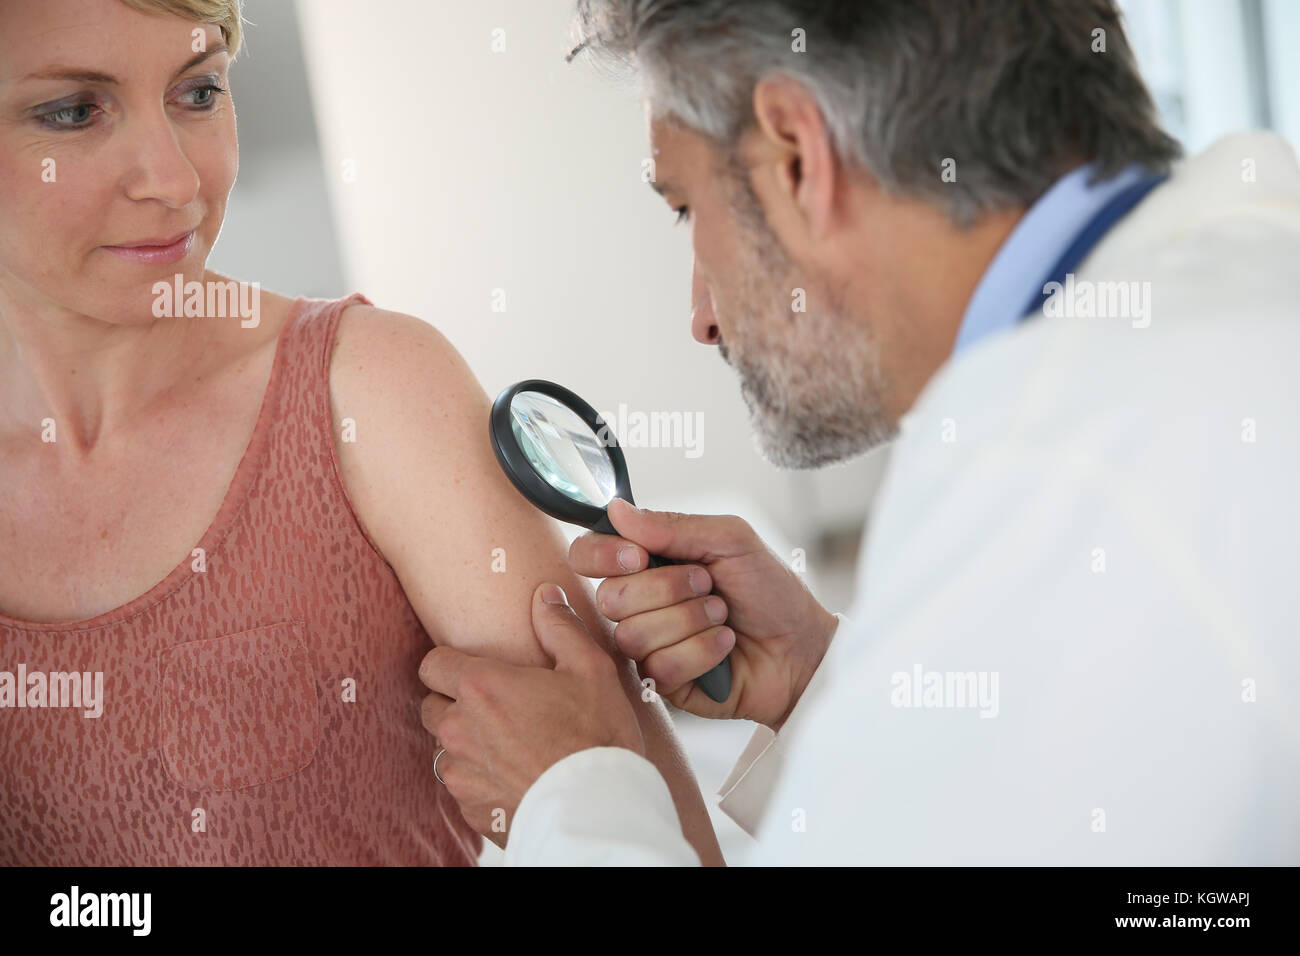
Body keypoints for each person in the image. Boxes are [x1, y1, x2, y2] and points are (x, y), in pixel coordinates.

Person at [419, 0, 1300, 864]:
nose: (702, 318)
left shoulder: (1053, 472)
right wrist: (820, 682)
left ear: (799, 157)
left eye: (687, 209)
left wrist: (572, 797)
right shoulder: (1235, 285)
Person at [0, 0, 724, 866]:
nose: (175, 180)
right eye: (75, 112)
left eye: (198, 92)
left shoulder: (375, 392)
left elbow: (651, 830)